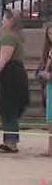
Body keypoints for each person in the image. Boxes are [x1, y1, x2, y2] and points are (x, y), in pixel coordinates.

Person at [0, 9, 29, 153]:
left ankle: (11, 141)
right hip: (11, 73)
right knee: (7, 106)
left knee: (8, 106)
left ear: (10, 21)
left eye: (4, 17)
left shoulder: (9, 38)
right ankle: (9, 139)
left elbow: (4, 58)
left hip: (10, 74)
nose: (2, 20)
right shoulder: (12, 36)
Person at [39, 22, 52, 157]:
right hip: (49, 86)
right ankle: (50, 148)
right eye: (49, 34)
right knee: (50, 118)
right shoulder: (49, 51)